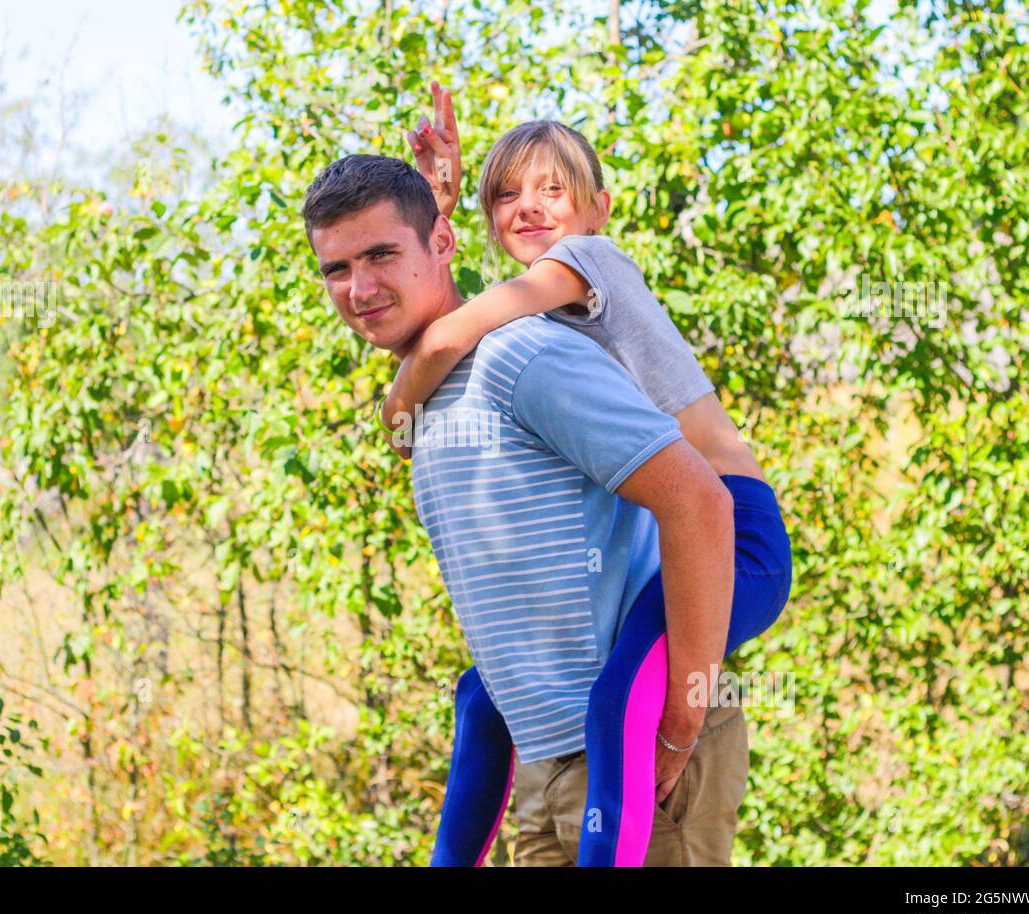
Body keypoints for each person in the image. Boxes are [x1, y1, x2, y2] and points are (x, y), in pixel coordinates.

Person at [302, 151, 779, 866]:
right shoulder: (431, 395)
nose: (359, 287)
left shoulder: (518, 354)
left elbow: (702, 503)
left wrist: (681, 720)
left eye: (380, 255)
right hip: (549, 761)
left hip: (637, 751)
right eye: (337, 269)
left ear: (440, 244)